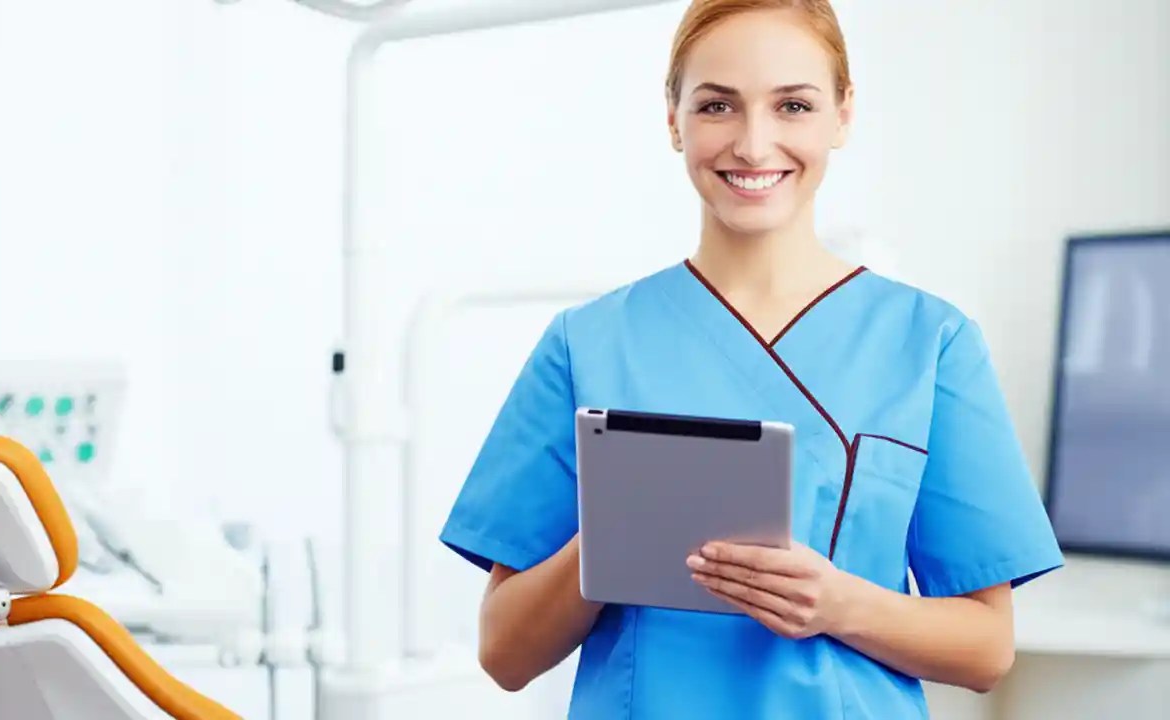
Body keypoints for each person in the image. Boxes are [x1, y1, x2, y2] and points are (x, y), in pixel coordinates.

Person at [438, 0, 1064, 717]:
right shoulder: (587, 343)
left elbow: (987, 649)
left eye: (793, 105)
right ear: (673, 119)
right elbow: (505, 654)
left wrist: (837, 604)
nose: (754, 143)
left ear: (842, 115)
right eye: (717, 107)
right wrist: (615, 534)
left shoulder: (929, 342)